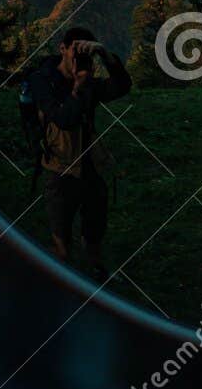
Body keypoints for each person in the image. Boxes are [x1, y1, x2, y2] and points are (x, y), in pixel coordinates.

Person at [26, 25, 131, 279]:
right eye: (75, 50)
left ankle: (96, 268)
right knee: (61, 238)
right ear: (62, 48)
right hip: (59, 166)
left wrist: (106, 56)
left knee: (95, 224)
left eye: (86, 54)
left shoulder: (87, 79)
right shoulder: (43, 81)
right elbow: (64, 119)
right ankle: (59, 274)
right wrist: (78, 87)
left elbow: (122, 87)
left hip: (88, 162)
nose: (79, 58)